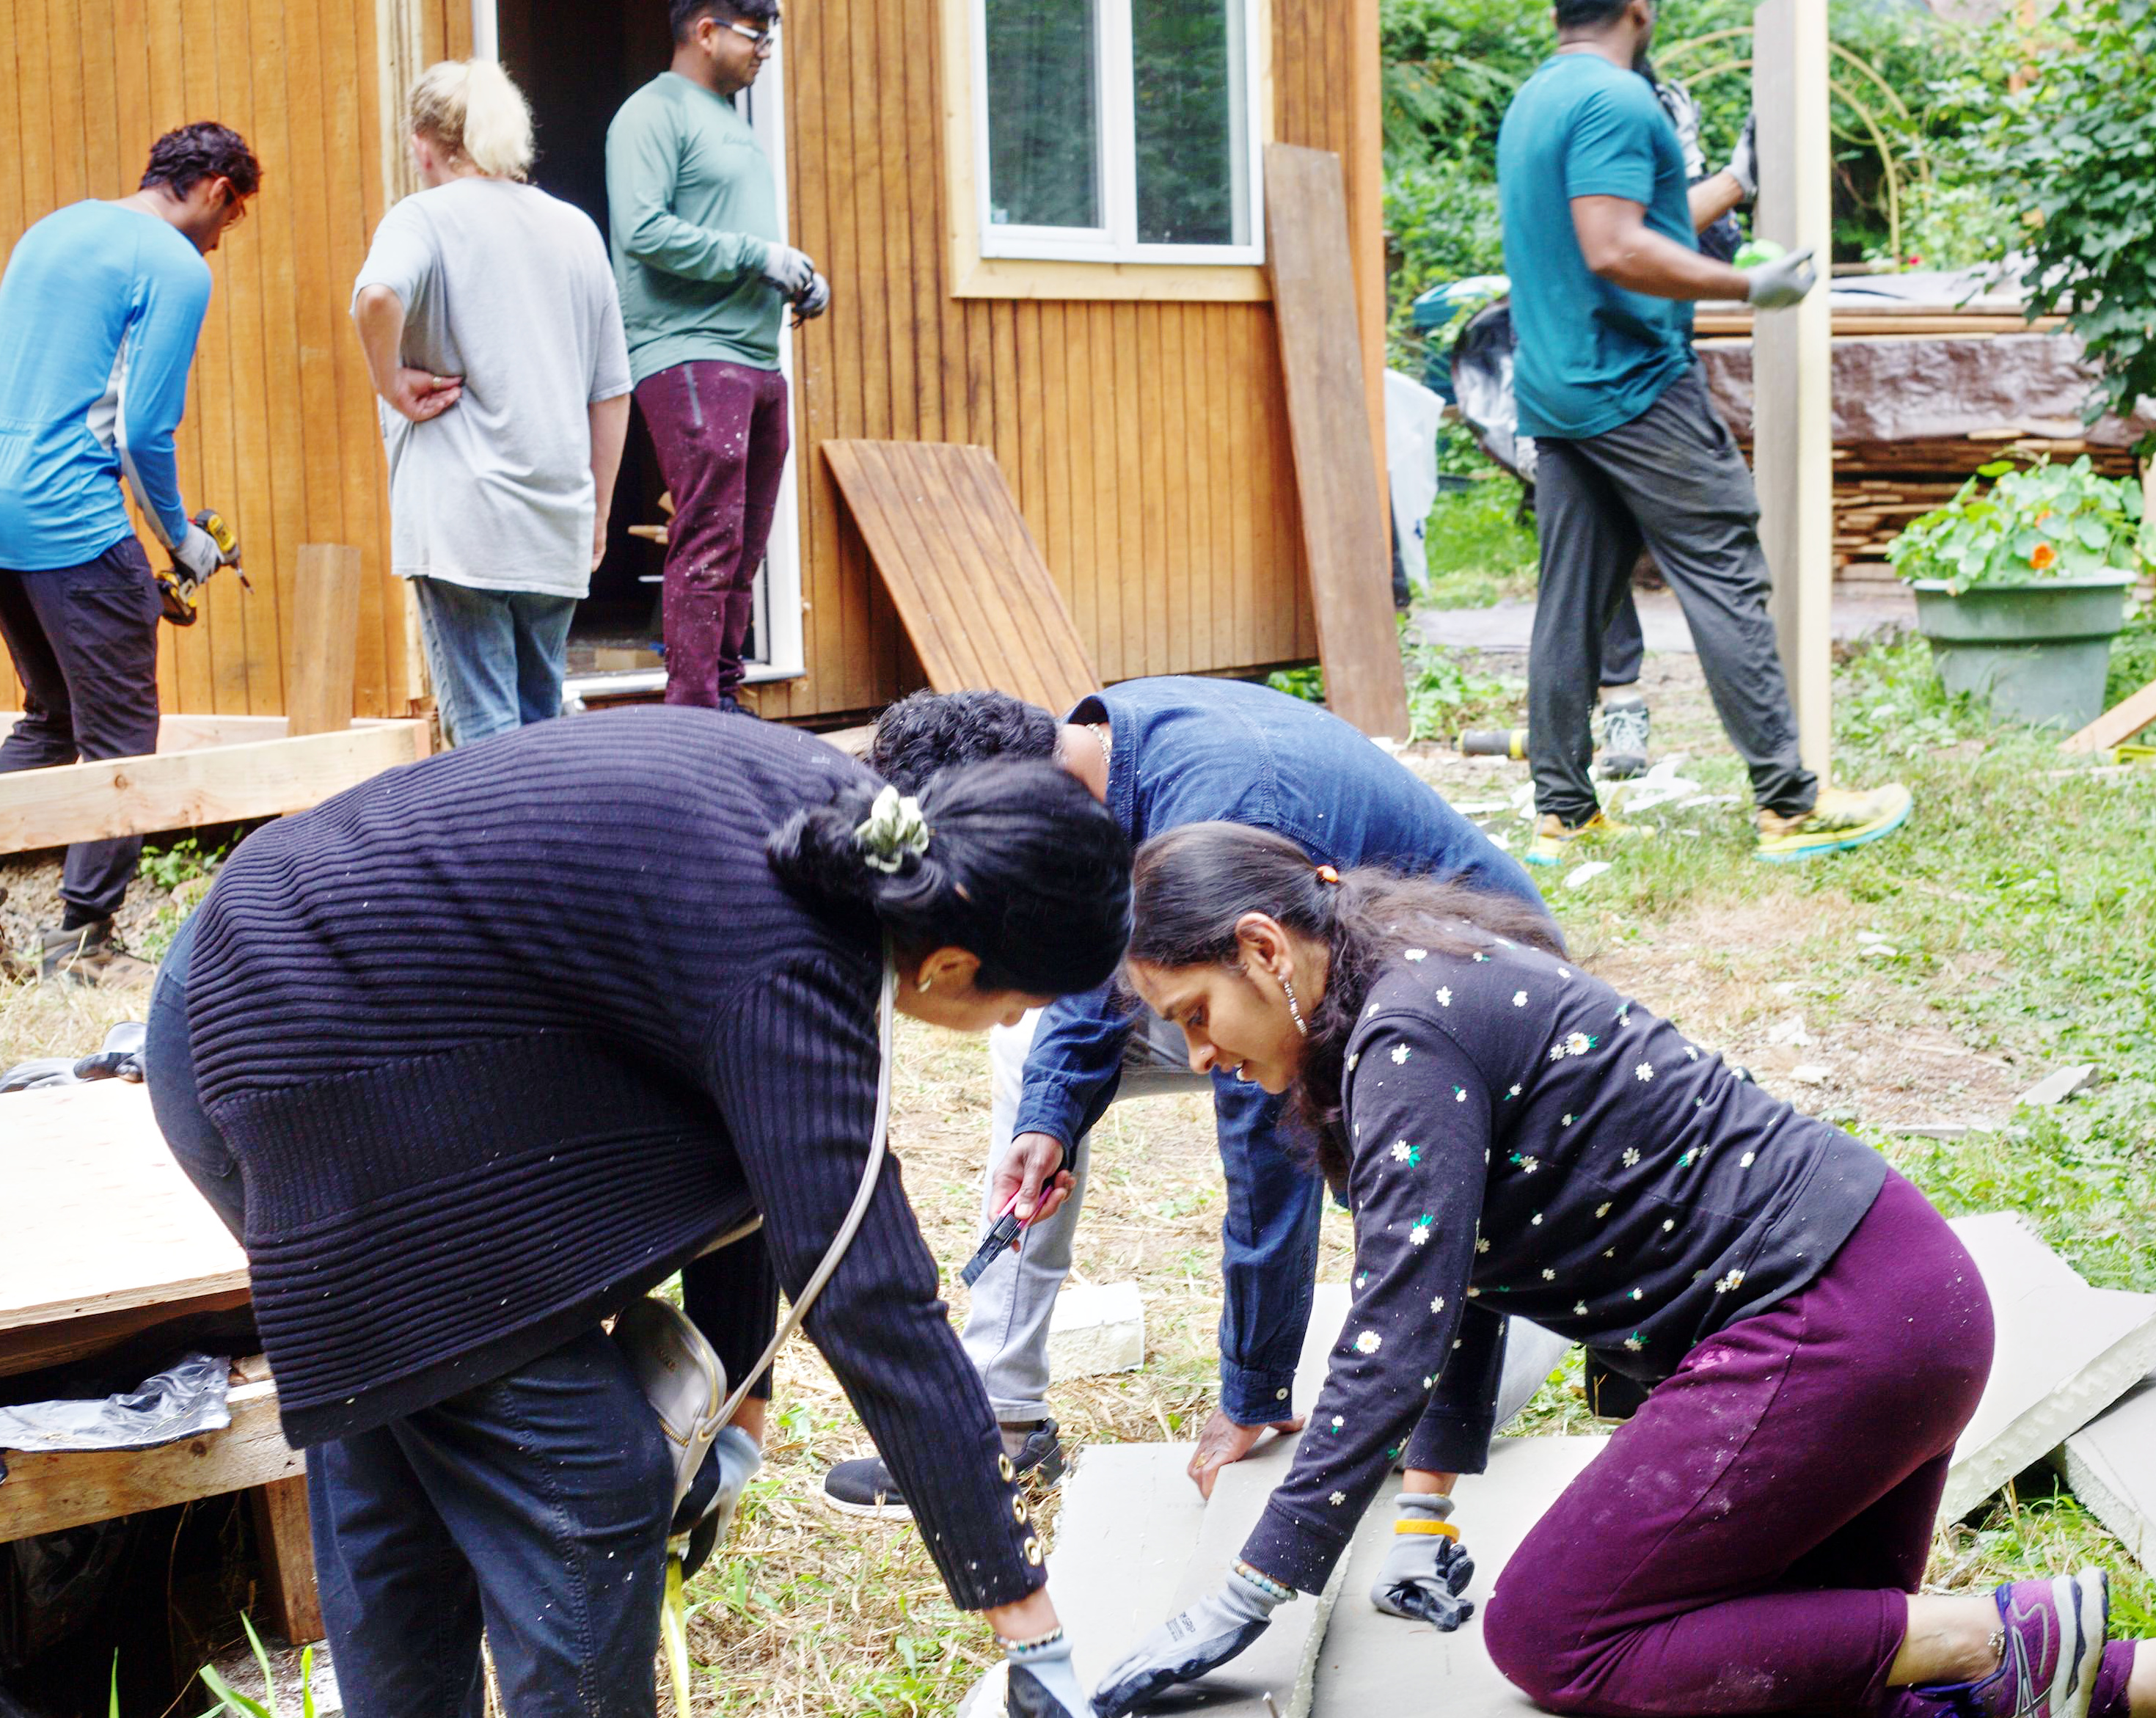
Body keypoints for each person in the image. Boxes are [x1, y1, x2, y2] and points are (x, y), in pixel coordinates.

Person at [1091, 823, 2156, 1718]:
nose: (1197, 1052)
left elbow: (1392, 1332)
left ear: (1266, 949)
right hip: (1894, 1300)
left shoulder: (1403, 1035)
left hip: (1827, 1329)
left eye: (1196, 1014)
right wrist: (1425, 1513)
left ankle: (2004, 1631)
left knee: (1552, 1635)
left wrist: (1253, 1590)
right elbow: (1457, 1286)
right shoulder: (1410, 983)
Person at [144, 712, 1168, 1718]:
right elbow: (873, 1293)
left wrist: (735, 1409)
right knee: (581, 1470)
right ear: (948, 963)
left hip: (255, 971)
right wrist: (1023, 1613)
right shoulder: (793, 962)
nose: (1014, 1032)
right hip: (307, 1050)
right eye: (1023, 1005)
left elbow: (764, 1177)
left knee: (403, 1418)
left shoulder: (827, 827)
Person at [820, 682, 1560, 1518]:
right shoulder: (1095, 753)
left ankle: (1542, 1313)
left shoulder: (1225, 800)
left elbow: (1266, 1116)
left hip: (1472, 1002)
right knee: (1027, 1048)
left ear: (1023, 806)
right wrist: (1050, 1118)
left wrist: (1254, 1381)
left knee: (1413, 1413)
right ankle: (1005, 1416)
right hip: (1331, 985)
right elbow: (1098, 956)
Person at [1498, 0, 1911, 866]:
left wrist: (1733, 182)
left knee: (1571, 598)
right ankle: (1791, 804)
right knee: (1725, 565)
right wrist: (1740, 286)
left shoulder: (1538, 99)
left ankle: (1563, 813)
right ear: (1638, 7)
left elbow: (1613, 222)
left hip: (1558, 386)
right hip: (1633, 383)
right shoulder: (1617, 101)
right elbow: (1613, 247)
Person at [0, 123, 260, 990]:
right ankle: (84, 942)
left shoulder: (55, 228)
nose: (220, 243)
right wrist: (180, 539)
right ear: (219, 193)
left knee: (48, 714)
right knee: (120, 734)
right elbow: (144, 431)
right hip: (64, 511)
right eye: (229, 225)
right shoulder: (175, 264)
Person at [353, 60, 632, 746]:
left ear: (423, 142)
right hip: (554, 516)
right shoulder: (574, 229)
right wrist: (596, 507)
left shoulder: (421, 217)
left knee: (483, 738)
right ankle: (547, 852)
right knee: (541, 729)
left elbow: (378, 297)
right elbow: (611, 391)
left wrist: (390, 381)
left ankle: (502, 856)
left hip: (462, 526)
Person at [607, 0, 829, 712]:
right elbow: (643, 230)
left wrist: (798, 279)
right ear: (705, 30)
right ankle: (695, 714)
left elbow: (732, 239)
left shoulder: (733, 126)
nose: (766, 49)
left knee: (745, 546)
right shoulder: (652, 113)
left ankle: (725, 701)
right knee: (708, 537)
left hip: (757, 361)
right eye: (756, 33)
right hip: (689, 354)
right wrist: (757, 256)